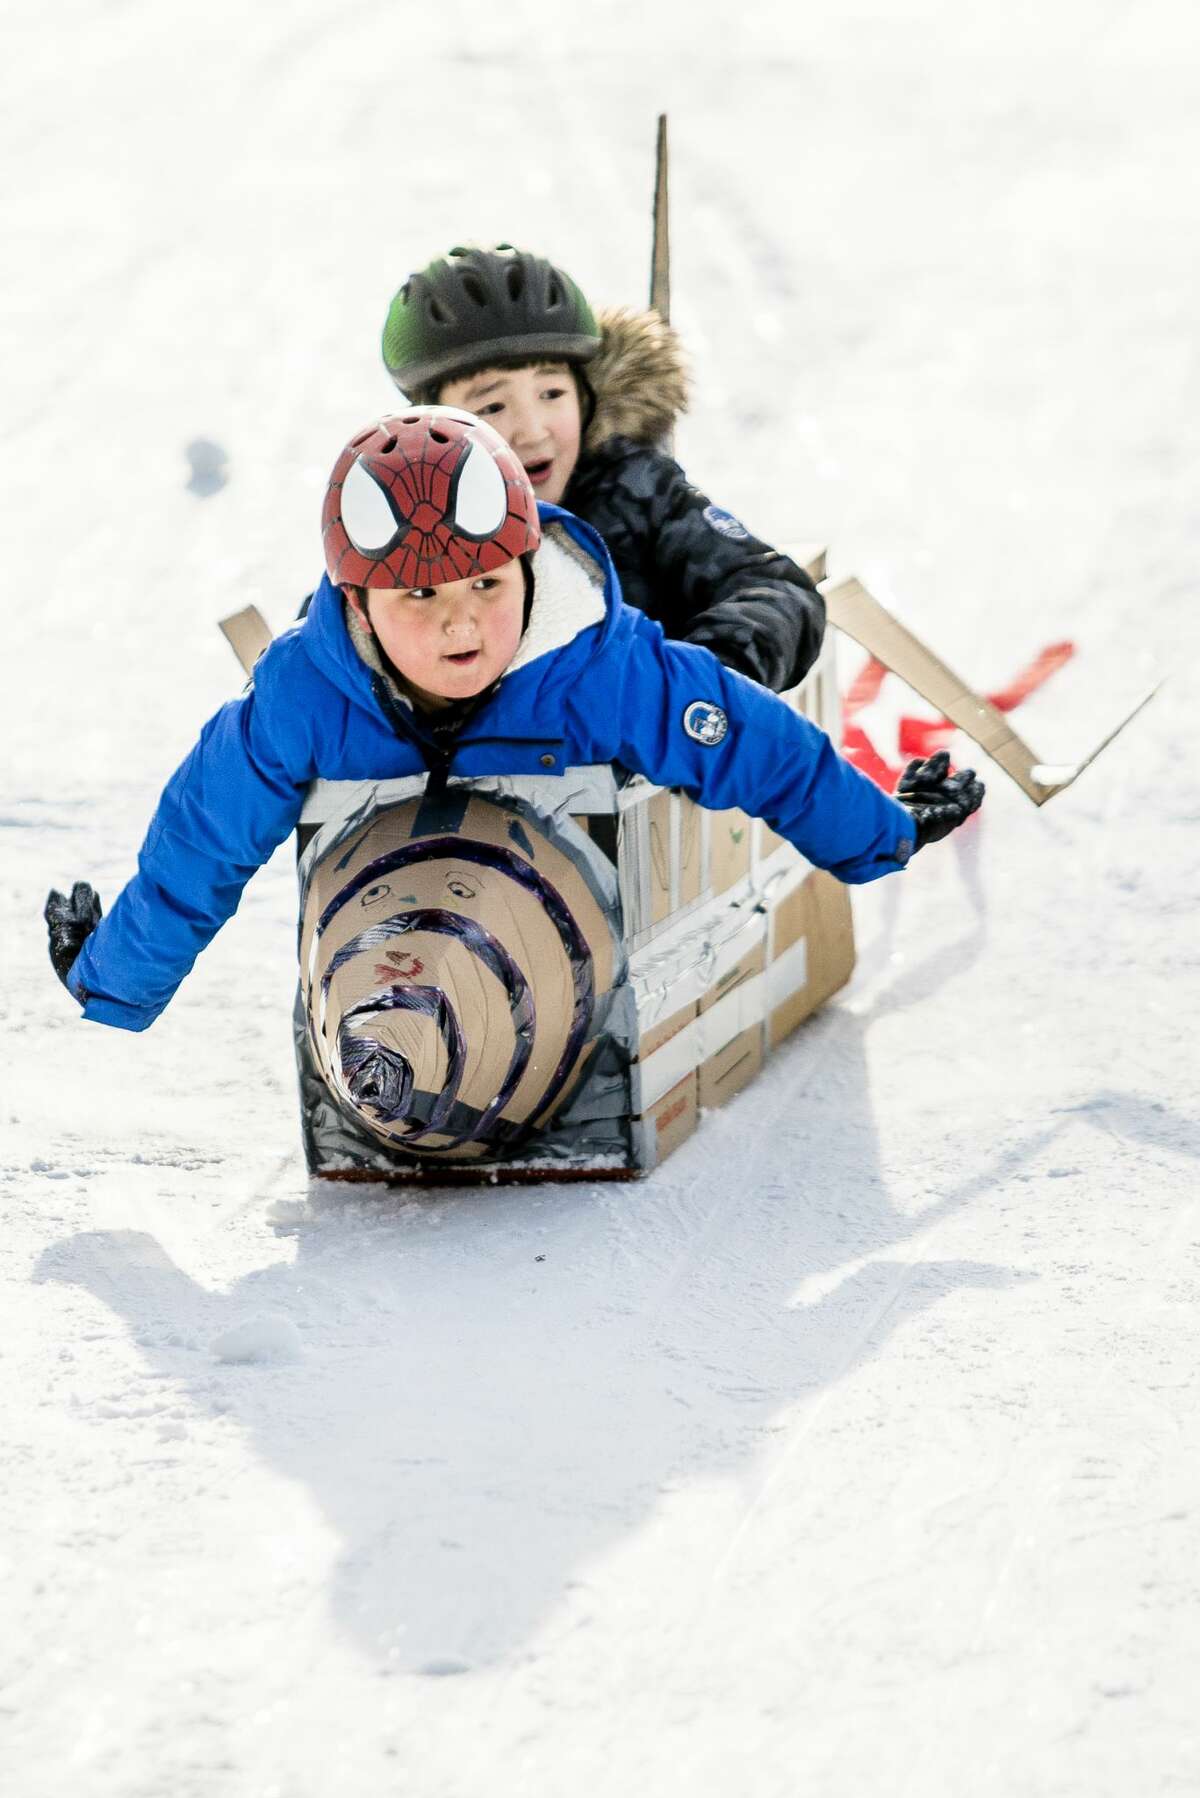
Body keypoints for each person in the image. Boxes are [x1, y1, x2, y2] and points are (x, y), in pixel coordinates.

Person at [44, 409, 982, 1032]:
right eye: (418, 597)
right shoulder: (302, 694)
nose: (459, 620)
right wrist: (115, 979)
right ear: (357, 604)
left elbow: (753, 745)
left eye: (485, 584)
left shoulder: (598, 665)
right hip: (400, 976)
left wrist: (883, 834)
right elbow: (204, 836)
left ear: (530, 569)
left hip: (576, 975)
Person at [381, 244, 825, 694]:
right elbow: (334, 645)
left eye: (552, 393)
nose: (533, 432)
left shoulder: (634, 491)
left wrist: (685, 691)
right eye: (492, 405)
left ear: (585, 397)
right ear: (434, 423)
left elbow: (776, 590)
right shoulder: (399, 529)